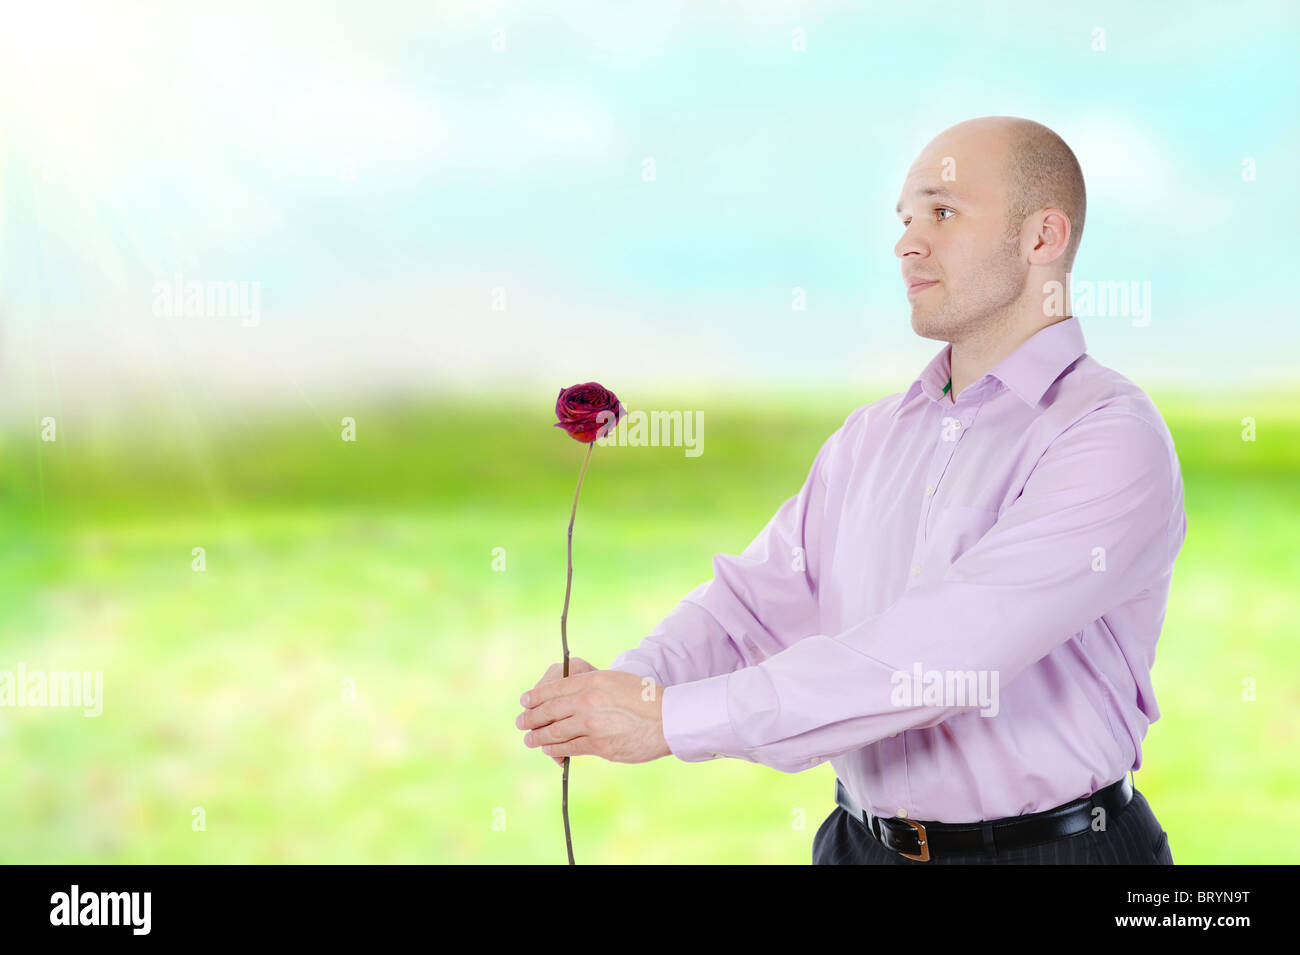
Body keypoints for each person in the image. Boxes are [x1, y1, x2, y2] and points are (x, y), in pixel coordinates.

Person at [516, 115, 1186, 864]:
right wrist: (627, 685)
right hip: (856, 844)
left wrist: (670, 718)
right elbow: (749, 606)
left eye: (941, 211)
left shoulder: (1106, 435)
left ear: (1042, 238)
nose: (907, 242)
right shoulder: (870, 437)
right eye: (903, 219)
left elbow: (943, 657)